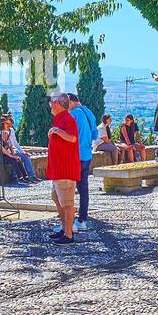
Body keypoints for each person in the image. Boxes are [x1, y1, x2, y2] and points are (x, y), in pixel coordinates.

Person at [45, 94, 80, 244]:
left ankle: (69, 235)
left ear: (58, 103)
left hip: (65, 170)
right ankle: (65, 228)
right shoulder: (60, 119)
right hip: (58, 170)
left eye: (51, 102)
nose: (50, 105)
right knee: (57, 198)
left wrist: (57, 131)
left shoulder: (67, 118)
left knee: (67, 203)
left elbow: (72, 138)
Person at [67, 94, 97, 231]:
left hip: (75, 156)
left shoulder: (73, 114)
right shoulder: (88, 112)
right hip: (87, 155)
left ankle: (68, 222)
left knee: (68, 188)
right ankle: (82, 218)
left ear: (72, 102)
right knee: (83, 188)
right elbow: (95, 135)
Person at [2, 115, 38, 180]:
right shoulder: (0, 132)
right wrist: (12, 154)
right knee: (15, 158)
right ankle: (17, 177)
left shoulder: (11, 131)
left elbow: (15, 143)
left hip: (13, 151)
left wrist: (23, 152)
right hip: (7, 153)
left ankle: (31, 176)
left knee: (26, 157)